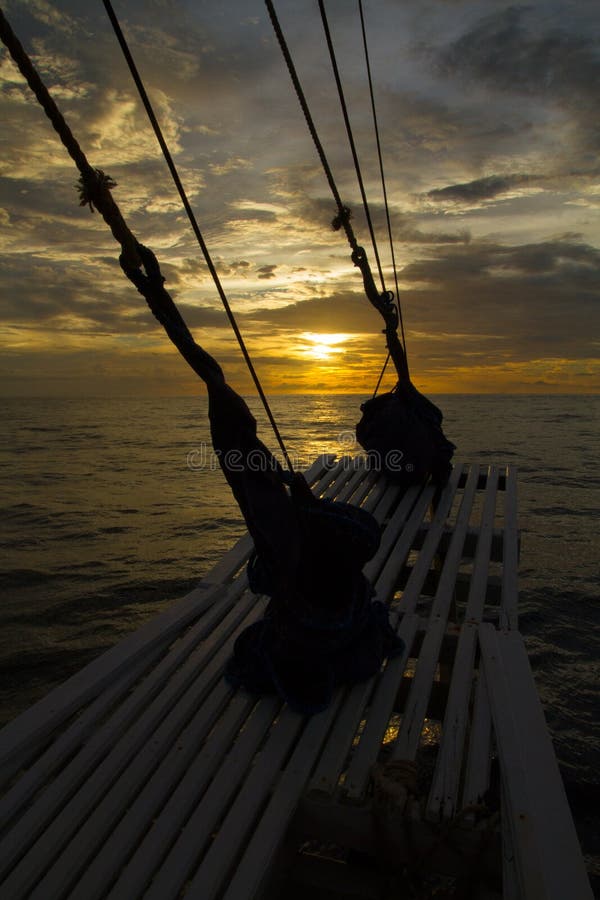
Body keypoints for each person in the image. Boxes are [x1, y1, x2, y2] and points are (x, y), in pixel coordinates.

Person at [122, 243, 403, 714]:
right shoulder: (337, 561)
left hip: (309, 618)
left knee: (255, 478)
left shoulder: (286, 550)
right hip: (333, 612)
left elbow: (264, 564)